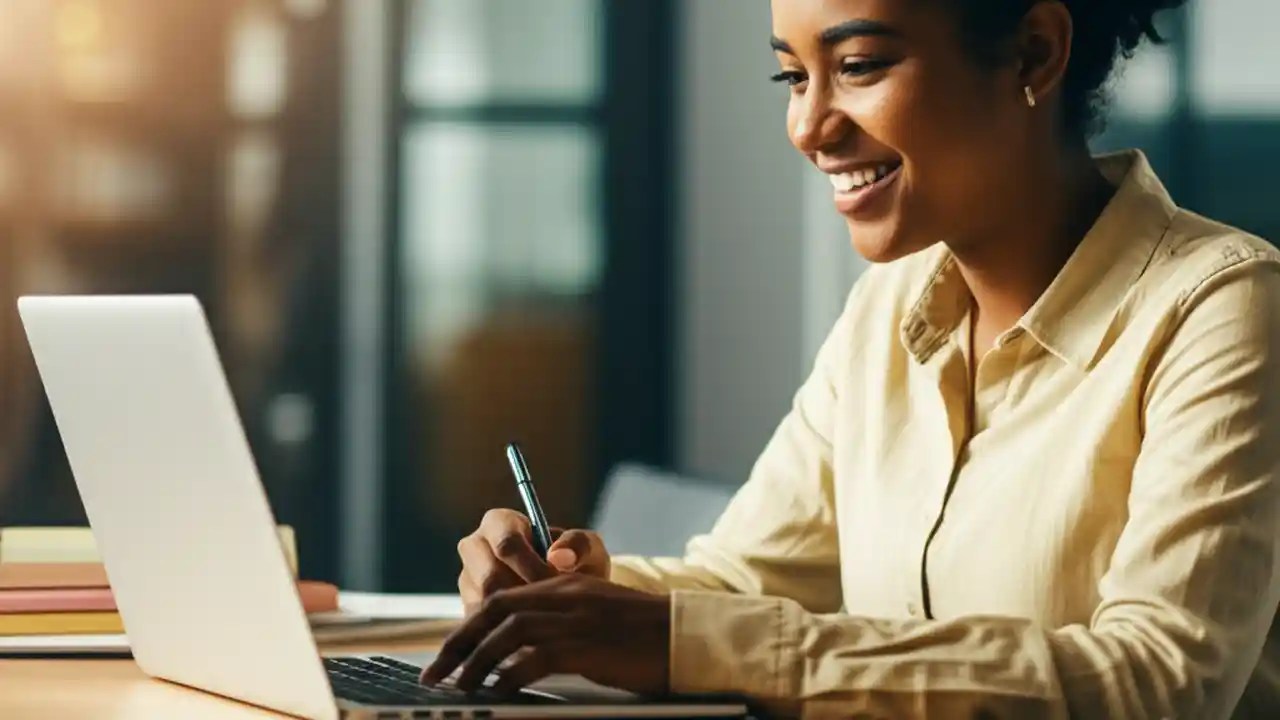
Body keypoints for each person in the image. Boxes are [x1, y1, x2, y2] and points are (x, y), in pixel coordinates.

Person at [424, 1, 1280, 717]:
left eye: (860, 65)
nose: (807, 126)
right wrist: (567, 598)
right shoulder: (892, 304)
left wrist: (669, 638)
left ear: (1034, 51)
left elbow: (1160, 681)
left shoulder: (1223, 308)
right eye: (793, 76)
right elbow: (747, 581)